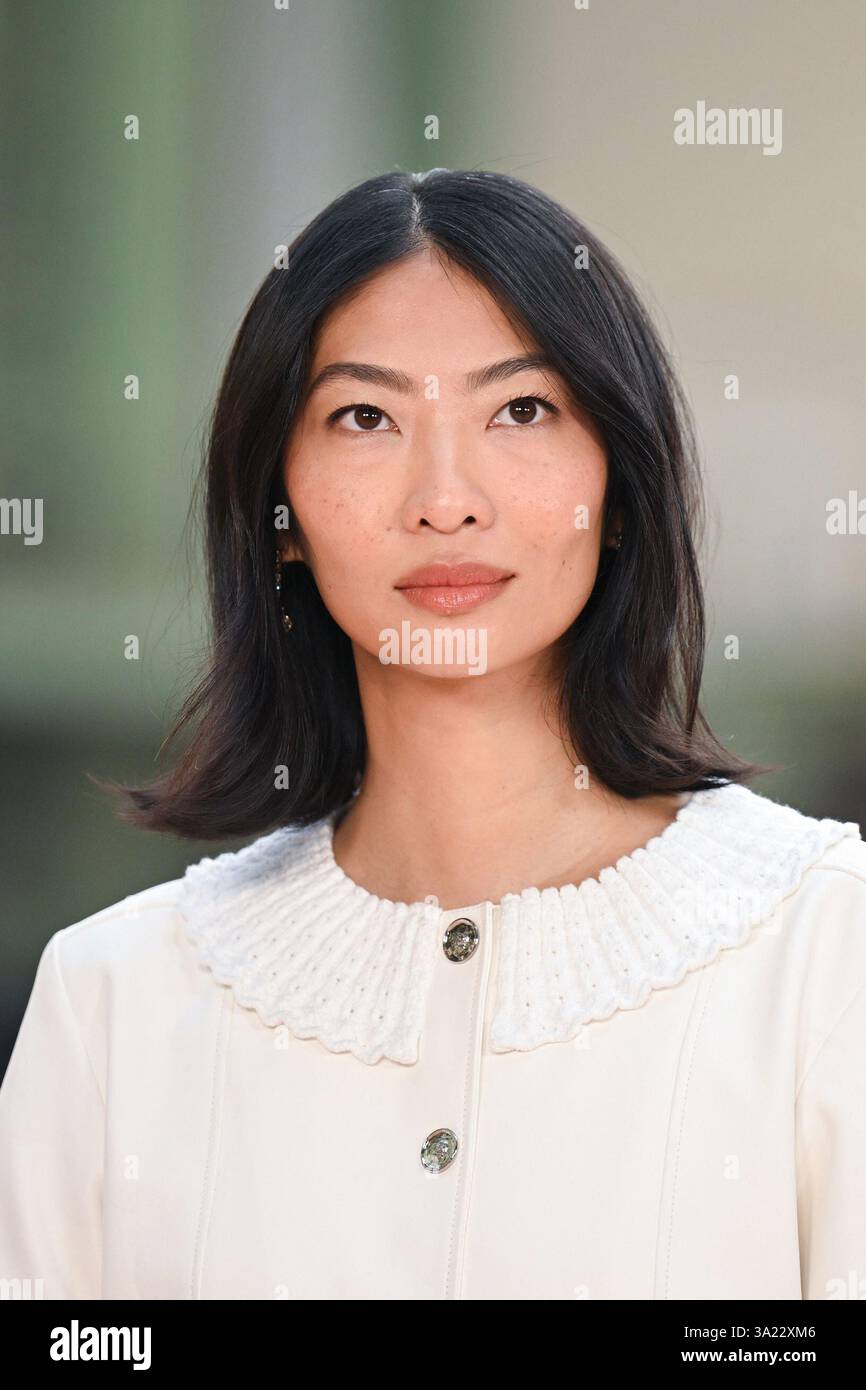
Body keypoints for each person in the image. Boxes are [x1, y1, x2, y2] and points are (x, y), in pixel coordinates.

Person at [1, 169, 864, 1301]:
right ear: (279, 512)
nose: (445, 498)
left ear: (618, 480)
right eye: (366, 417)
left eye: (519, 409)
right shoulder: (113, 1000)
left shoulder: (826, 953)